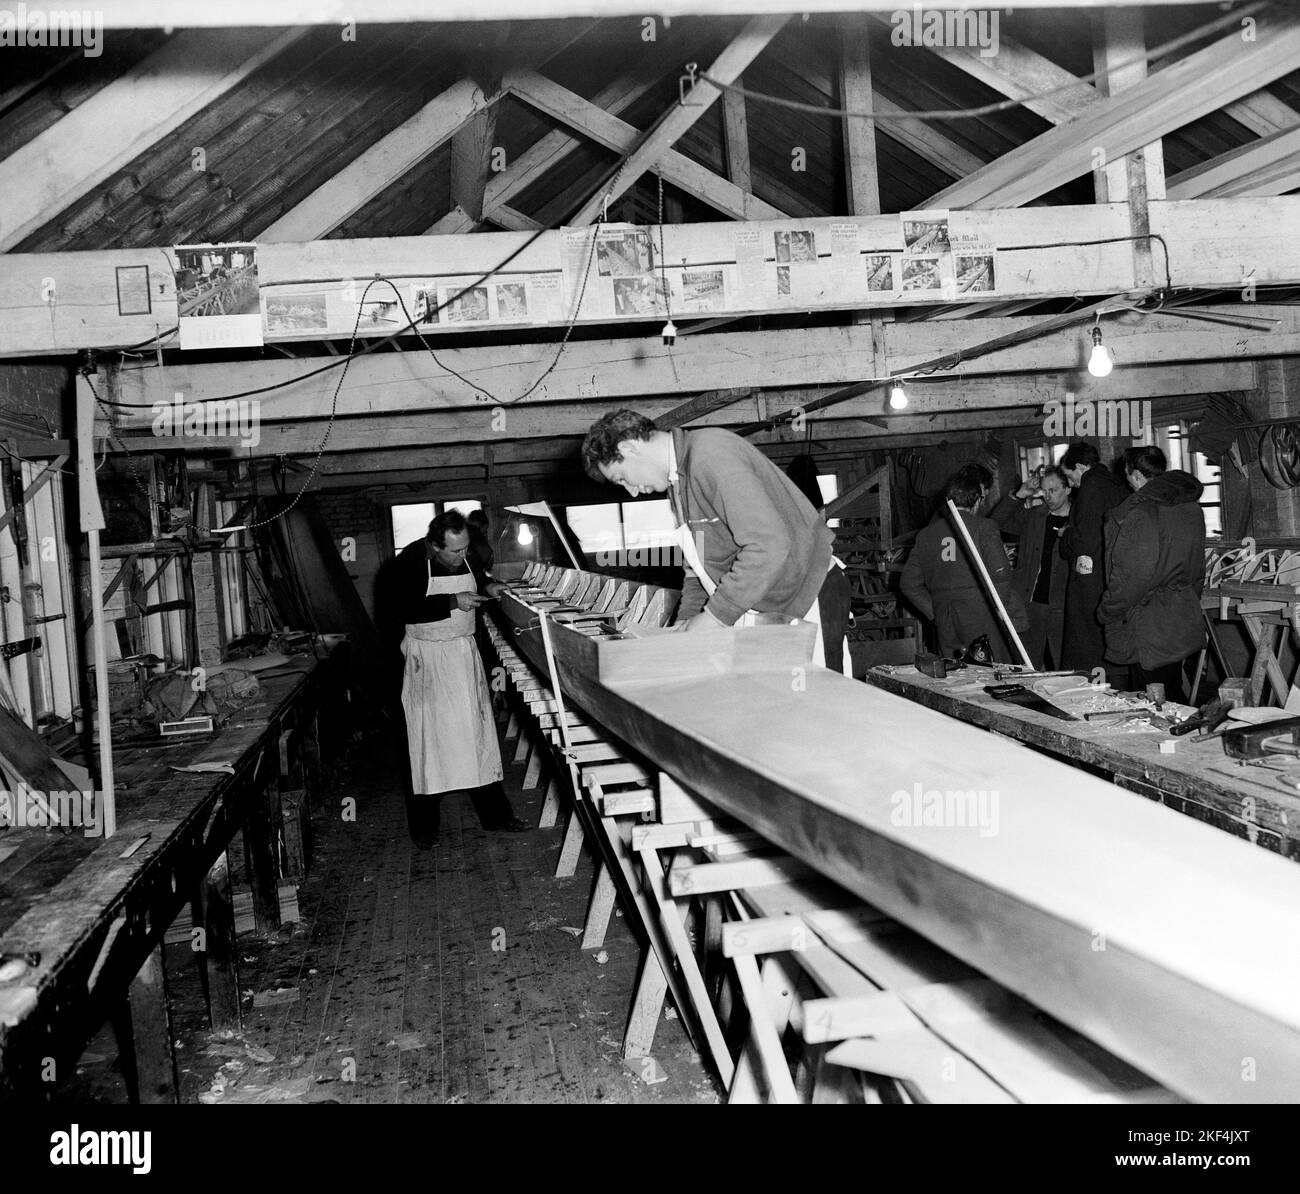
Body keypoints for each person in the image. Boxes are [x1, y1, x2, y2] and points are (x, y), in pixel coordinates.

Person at [580, 410, 850, 671]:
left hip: (808, 595)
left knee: (821, 704)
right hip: (771, 606)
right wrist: (685, 628)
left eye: (623, 477)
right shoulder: (679, 488)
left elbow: (769, 545)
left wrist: (714, 619)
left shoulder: (710, 454)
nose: (633, 492)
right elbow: (699, 573)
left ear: (629, 448)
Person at [394, 509, 528, 847]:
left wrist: (490, 586)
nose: (461, 556)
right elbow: (401, 607)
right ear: (434, 545)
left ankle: (497, 818)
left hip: (462, 655)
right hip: (428, 659)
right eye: (454, 551)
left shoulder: (466, 556)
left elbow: (477, 577)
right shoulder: (410, 560)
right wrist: (454, 600)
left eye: (465, 549)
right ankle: (424, 831)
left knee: (476, 738)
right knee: (429, 746)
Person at [1098, 446, 1206, 704]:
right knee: (1172, 692)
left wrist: (1108, 610)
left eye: (1127, 476)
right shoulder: (1190, 508)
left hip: (1147, 624)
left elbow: (1132, 577)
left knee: (1153, 702)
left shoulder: (1141, 513)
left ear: (1135, 475)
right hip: (1181, 614)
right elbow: (1199, 569)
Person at [900, 464, 1030, 661]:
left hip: (945, 618)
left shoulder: (926, 535)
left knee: (956, 675)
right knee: (992, 673)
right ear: (977, 501)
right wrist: (998, 609)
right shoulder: (984, 527)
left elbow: (908, 584)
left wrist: (934, 612)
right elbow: (1001, 572)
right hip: (982, 616)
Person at [1058, 441, 1130, 679]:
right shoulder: (1115, 484)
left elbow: (1085, 541)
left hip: (1089, 579)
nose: (1070, 483)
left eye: (1070, 476)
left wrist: (1066, 535)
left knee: (1086, 642)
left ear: (1080, 466)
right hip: (1111, 572)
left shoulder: (1091, 485)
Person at [991, 465, 1072, 669]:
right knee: (1026, 666)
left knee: (1065, 668)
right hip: (1030, 604)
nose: (1047, 496)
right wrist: (1020, 494)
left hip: (1062, 607)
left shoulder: (1079, 521)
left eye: (1053, 490)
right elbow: (995, 523)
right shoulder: (1035, 516)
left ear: (1068, 488)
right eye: (1044, 491)